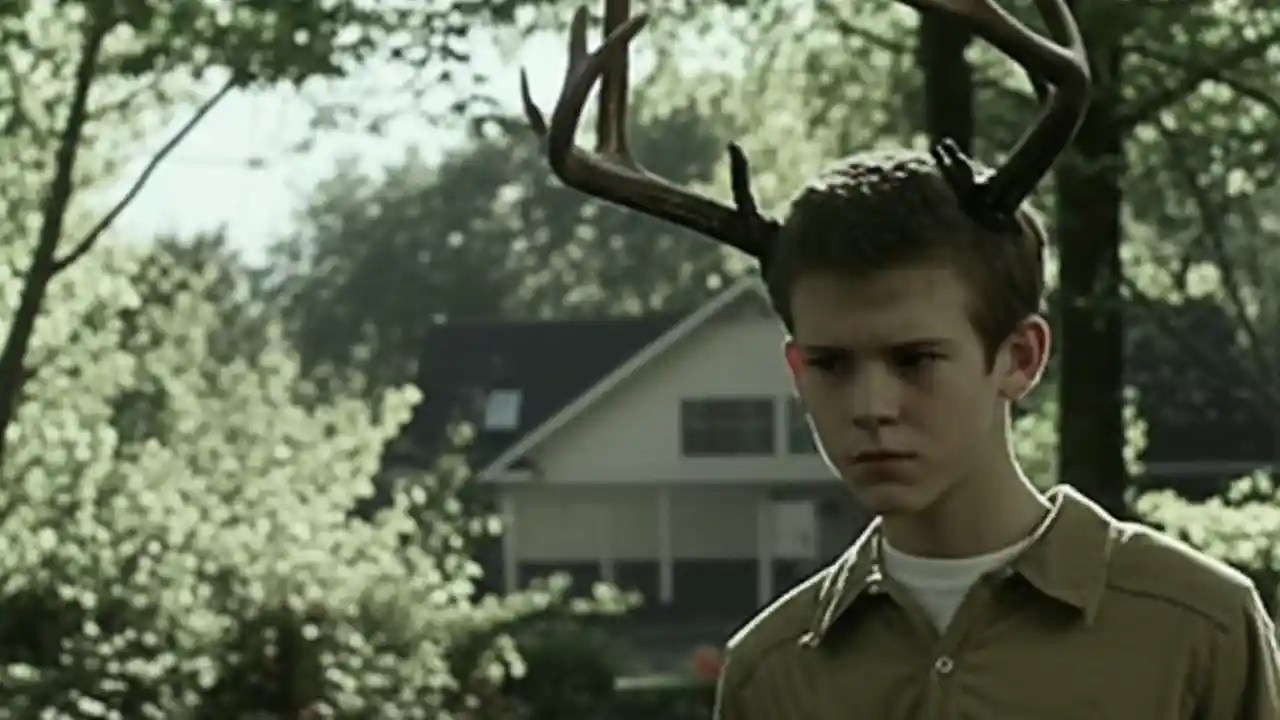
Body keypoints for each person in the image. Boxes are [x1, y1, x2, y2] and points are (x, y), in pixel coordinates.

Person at [518, 0, 1280, 717]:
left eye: (915, 360)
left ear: (1018, 356)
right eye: (832, 365)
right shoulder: (773, 671)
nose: (871, 406)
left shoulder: (1198, 630)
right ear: (796, 369)